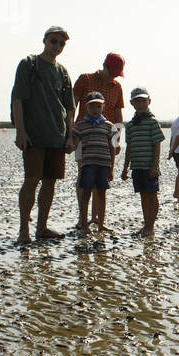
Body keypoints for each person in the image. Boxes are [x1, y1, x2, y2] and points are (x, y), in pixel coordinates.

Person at [11, 25, 75, 245]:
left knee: (50, 182)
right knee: (31, 180)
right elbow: (18, 99)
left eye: (61, 43)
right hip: (34, 136)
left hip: (57, 137)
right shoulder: (29, 64)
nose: (57, 46)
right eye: (54, 41)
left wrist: (70, 136)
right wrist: (21, 131)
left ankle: (42, 227)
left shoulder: (63, 72)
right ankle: (23, 230)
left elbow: (69, 108)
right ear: (45, 40)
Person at [72, 52, 125, 231]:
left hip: (106, 135)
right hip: (83, 133)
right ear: (104, 65)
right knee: (84, 176)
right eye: (112, 72)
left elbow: (118, 114)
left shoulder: (117, 87)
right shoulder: (85, 79)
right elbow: (72, 105)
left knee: (101, 179)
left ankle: (97, 219)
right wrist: (69, 132)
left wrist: (117, 139)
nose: (114, 76)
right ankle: (82, 219)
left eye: (117, 73)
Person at [71, 91, 120, 234]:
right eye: (92, 106)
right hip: (88, 164)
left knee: (102, 194)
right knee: (85, 193)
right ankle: (84, 224)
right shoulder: (81, 126)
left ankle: (101, 223)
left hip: (104, 165)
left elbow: (112, 147)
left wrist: (112, 168)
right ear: (87, 107)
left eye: (98, 106)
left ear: (103, 107)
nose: (95, 110)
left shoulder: (109, 125)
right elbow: (74, 144)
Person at [121, 87, 163, 236]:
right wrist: (125, 168)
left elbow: (157, 144)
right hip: (137, 166)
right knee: (143, 196)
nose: (140, 104)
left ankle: (150, 226)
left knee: (152, 195)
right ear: (132, 103)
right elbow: (129, 147)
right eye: (137, 101)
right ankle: (146, 225)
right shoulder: (130, 125)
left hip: (149, 166)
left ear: (149, 101)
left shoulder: (152, 122)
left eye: (143, 101)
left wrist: (155, 165)